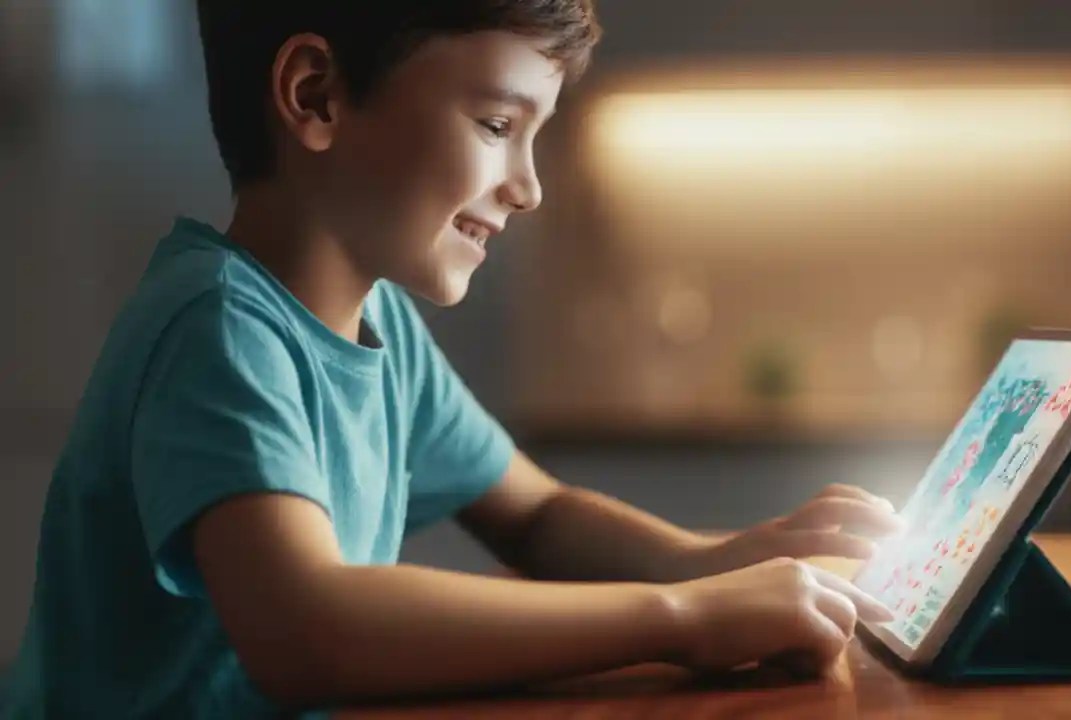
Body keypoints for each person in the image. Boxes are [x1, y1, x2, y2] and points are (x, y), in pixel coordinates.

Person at [5, 2, 905, 717]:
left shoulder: (380, 326)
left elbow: (539, 516)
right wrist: (680, 617)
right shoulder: (219, 327)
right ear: (316, 95)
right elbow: (306, 629)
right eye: (496, 122)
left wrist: (720, 563)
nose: (529, 184)